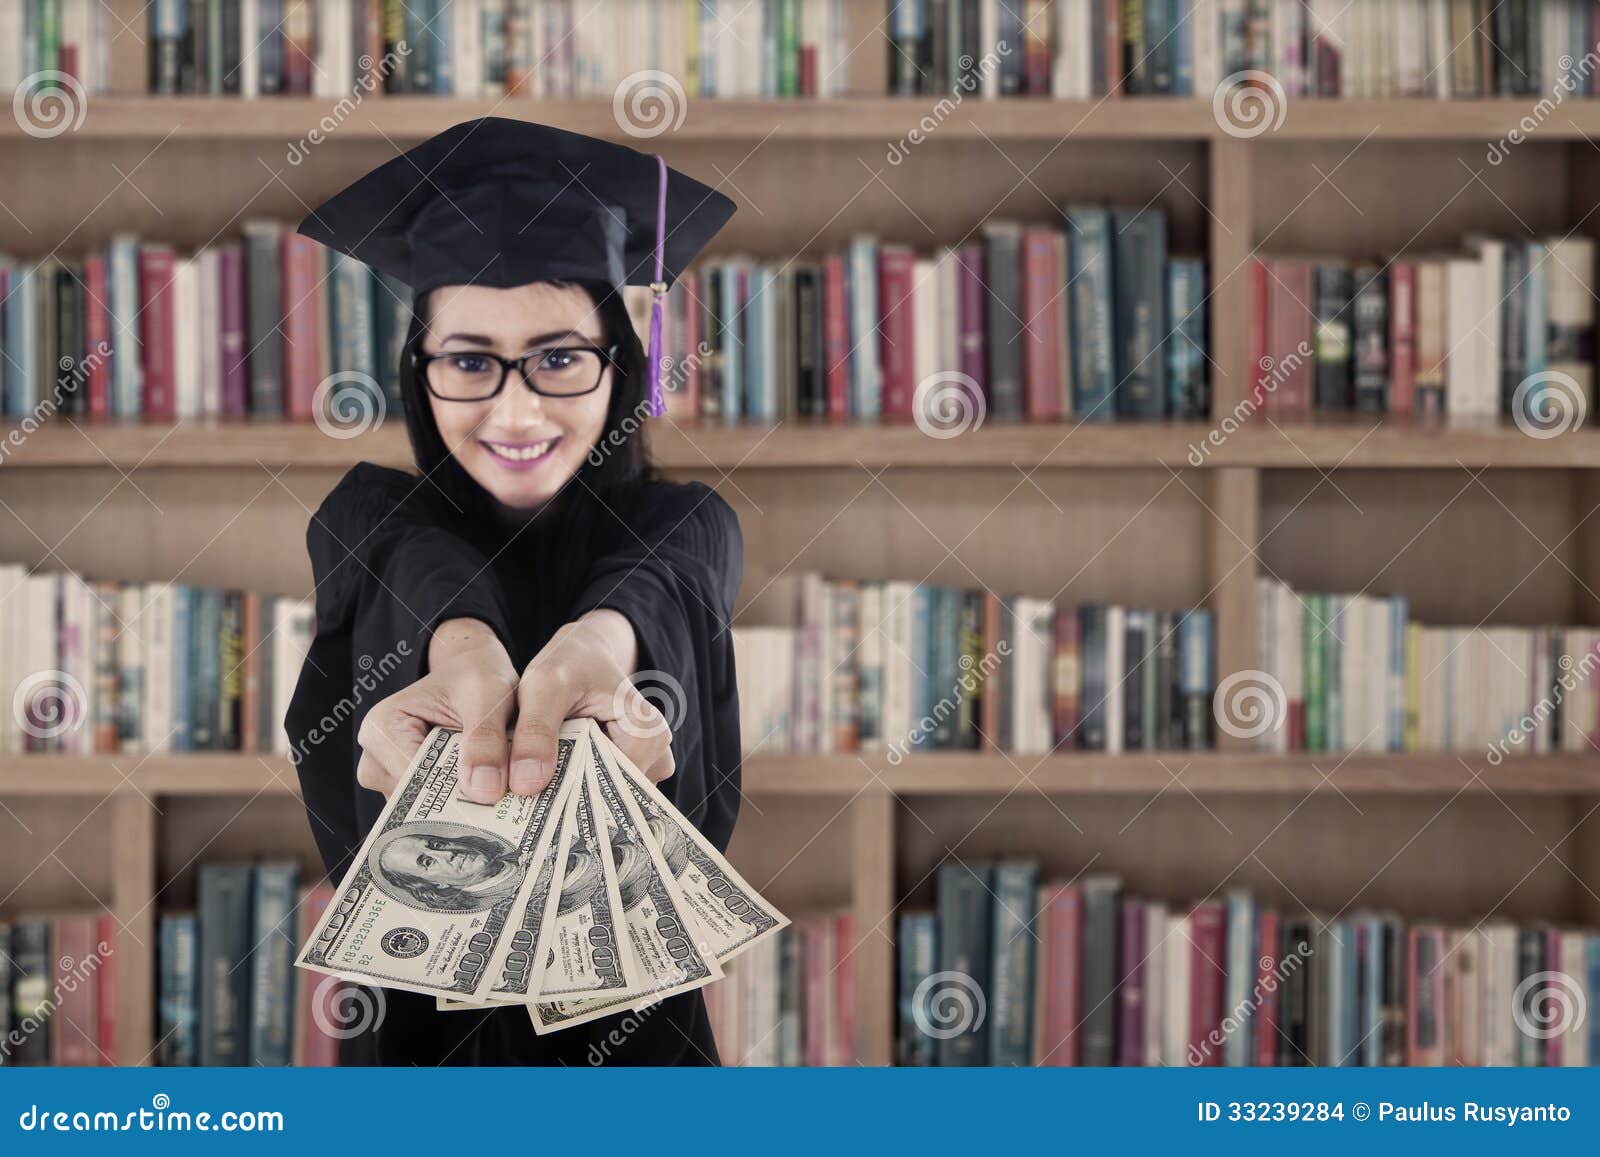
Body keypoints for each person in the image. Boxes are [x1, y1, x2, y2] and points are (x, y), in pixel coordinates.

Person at [284, 117, 742, 1066]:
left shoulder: (683, 525)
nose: (516, 408)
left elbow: (662, 580)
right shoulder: (371, 518)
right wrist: (461, 646)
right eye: (469, 359)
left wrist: (599, 652)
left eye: (560, 357)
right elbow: (408, 563)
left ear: (621, 364)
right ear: (420, 373)